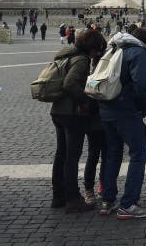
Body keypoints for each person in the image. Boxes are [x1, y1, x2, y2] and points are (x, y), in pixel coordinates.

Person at [98, 29, 146, 220]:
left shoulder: (113, 47)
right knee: (138, 155)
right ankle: (128, 204)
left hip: (106, 109)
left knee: (112, 154)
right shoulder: (137, 52)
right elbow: (142, 86)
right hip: (126, 110)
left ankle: (107, 200)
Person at [50, 28, 106, 213]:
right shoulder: (81, 60)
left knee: (62, 155)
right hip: (72, 114)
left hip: (58, 110)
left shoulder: (66, 55)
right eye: (97, 50)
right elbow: (69, 83)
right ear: (92, 47)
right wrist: (86, 101)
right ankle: (73, 198)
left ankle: (58, 196)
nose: (97, 54)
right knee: (72, 158)